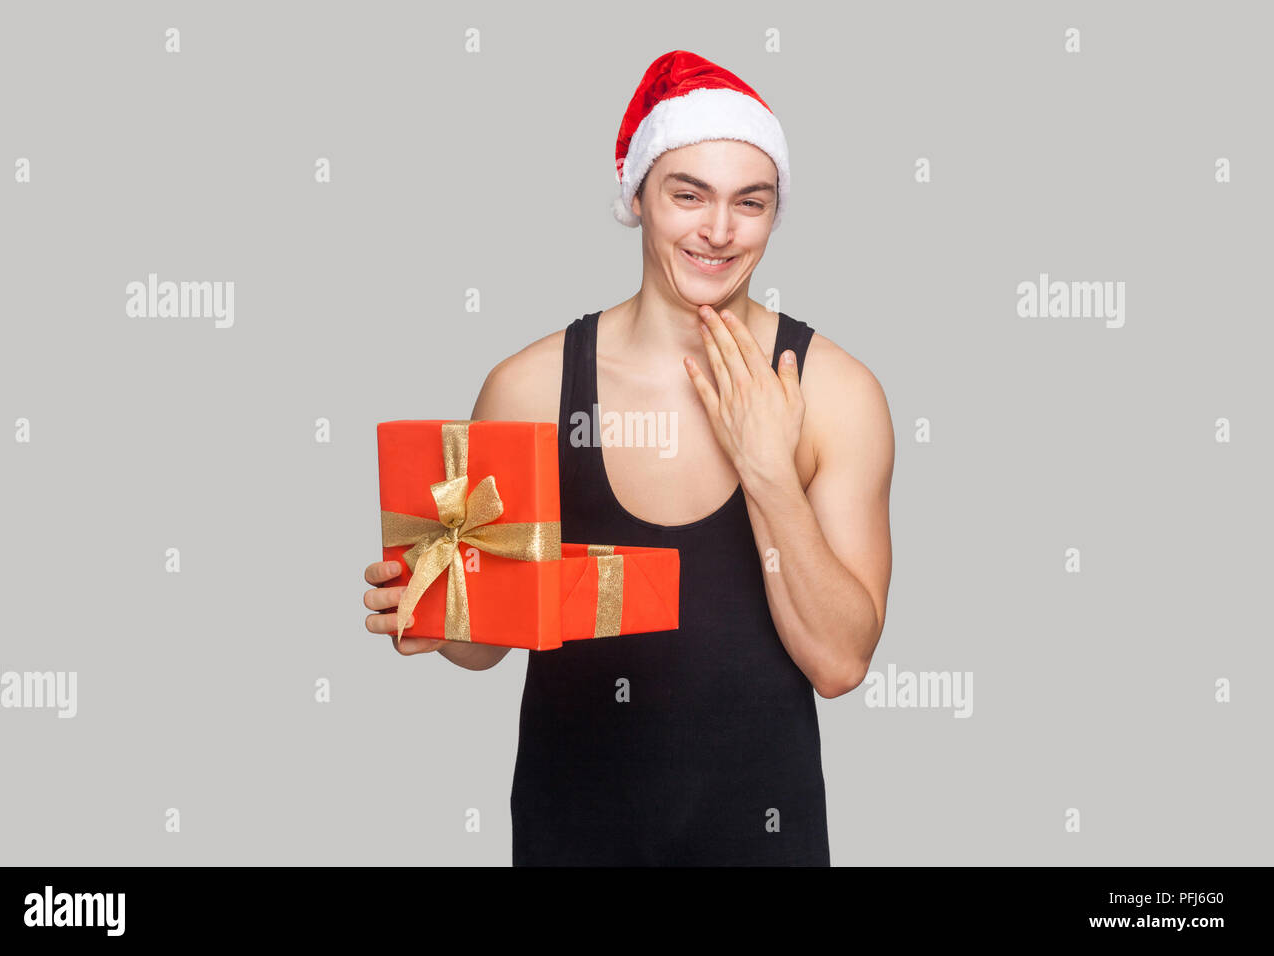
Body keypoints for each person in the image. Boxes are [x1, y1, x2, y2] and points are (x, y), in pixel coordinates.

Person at [362, 50, 894, 865]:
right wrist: (433, 617)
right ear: (639, 196)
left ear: (773, 215)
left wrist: (766, 470)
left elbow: (840, 662)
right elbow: (483, 641)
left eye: (749, 203)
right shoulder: (530, 387)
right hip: (571, 839)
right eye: (689, 196)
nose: (718, 231)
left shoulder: (837, 395)